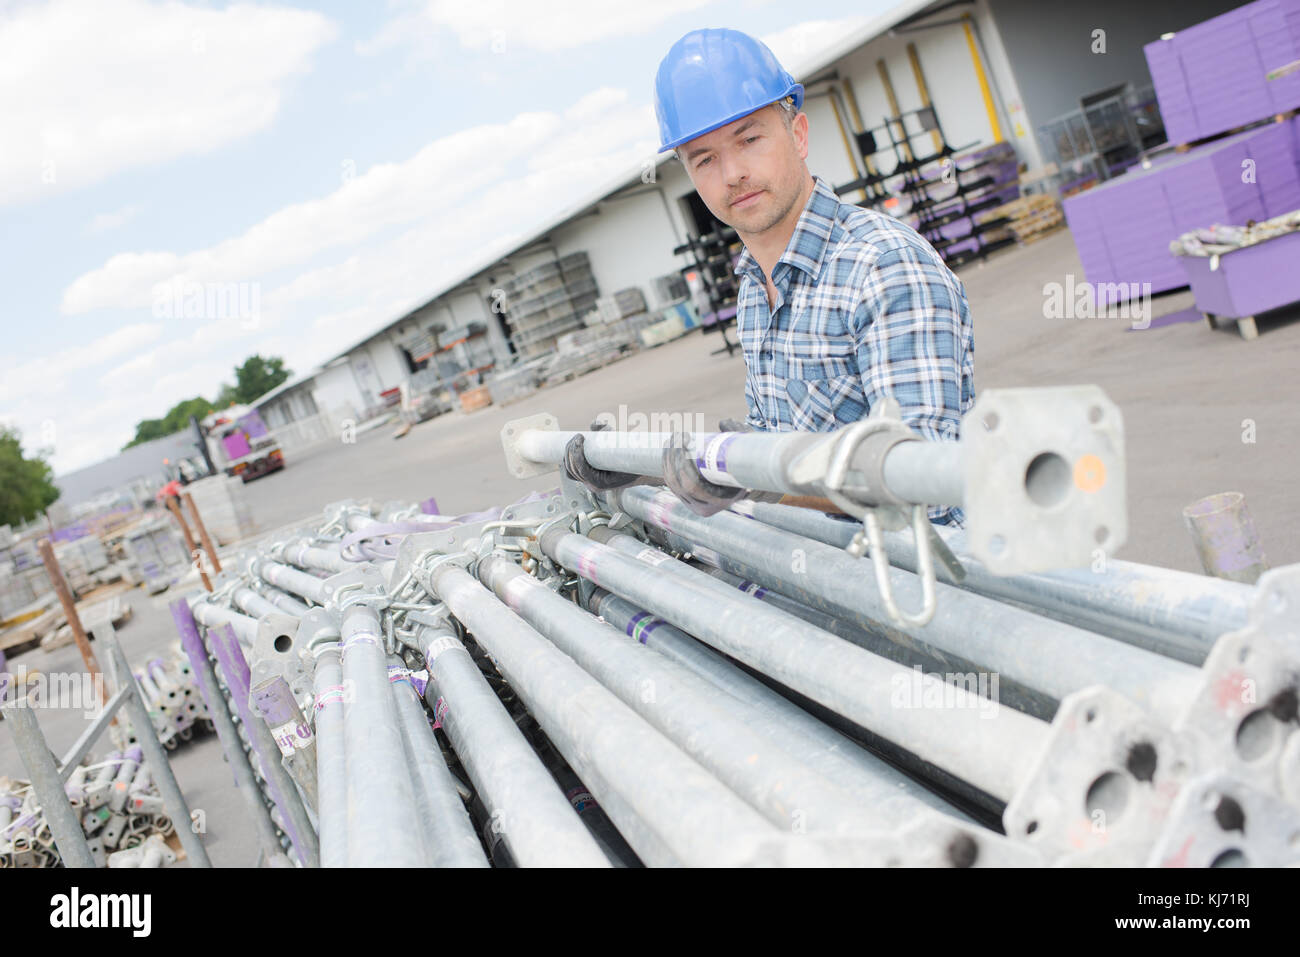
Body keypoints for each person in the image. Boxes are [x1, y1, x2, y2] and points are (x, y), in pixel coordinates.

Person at [653, 28, 975, 526]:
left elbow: (923, 484)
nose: (732, 172)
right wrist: (656, 475)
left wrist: (759, 484)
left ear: (798, 135)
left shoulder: (883, 266)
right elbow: (770, 440)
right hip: (826, 575)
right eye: (705, 159)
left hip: (924, 586)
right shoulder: (753, 289)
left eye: (750, 139)